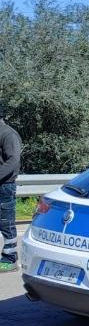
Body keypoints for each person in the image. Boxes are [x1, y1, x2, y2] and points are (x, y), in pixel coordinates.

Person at [0, 105, 20, 272]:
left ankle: (10, 258)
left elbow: (12, 161)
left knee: (6, 222)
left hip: (5, 186)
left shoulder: (8, 134)